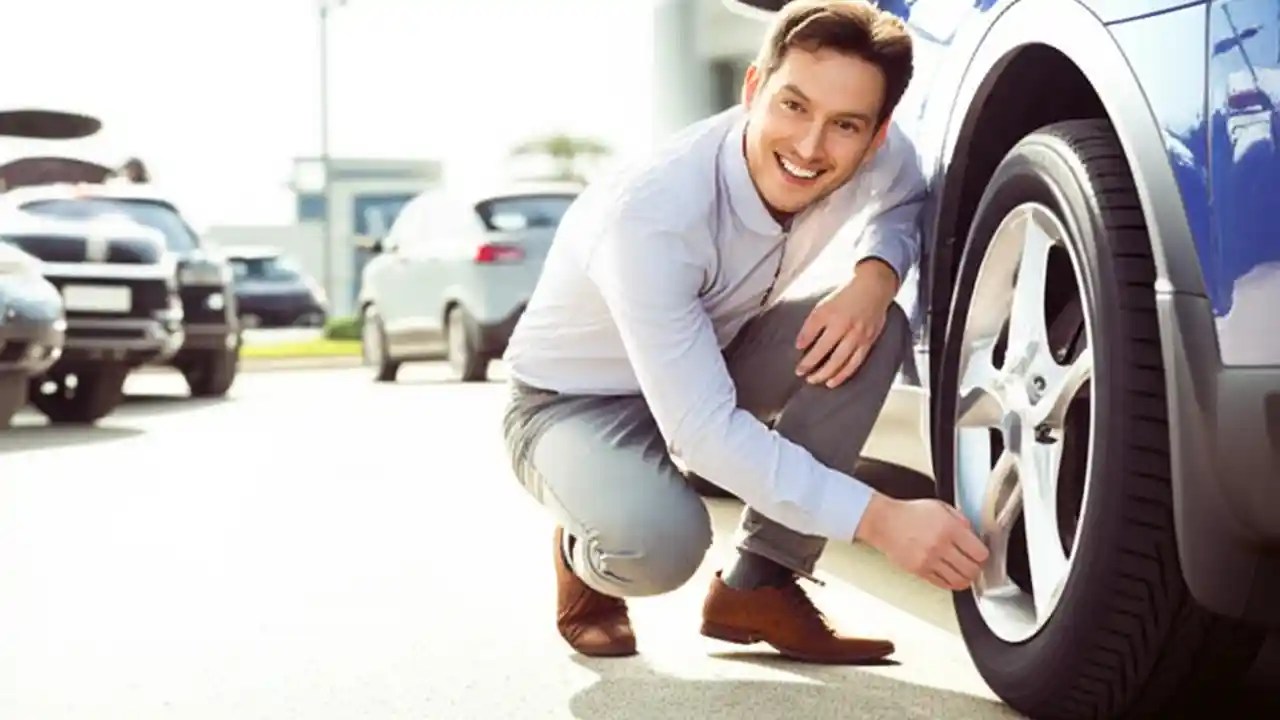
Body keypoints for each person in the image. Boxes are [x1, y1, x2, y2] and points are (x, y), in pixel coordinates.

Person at [501, 0, 989, 663]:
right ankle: (583, 541)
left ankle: (759, 585)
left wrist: (875, 279)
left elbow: (906, 198)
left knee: (874, 333)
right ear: (754, 88)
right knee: (657, 547)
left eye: (845, 125)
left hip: (717, 354)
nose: (811, 146)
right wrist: (883, 519)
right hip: (572, 402)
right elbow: (703, 436)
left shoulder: (880, 155)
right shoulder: (652, 214)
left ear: (875, 135)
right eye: (794, 106)